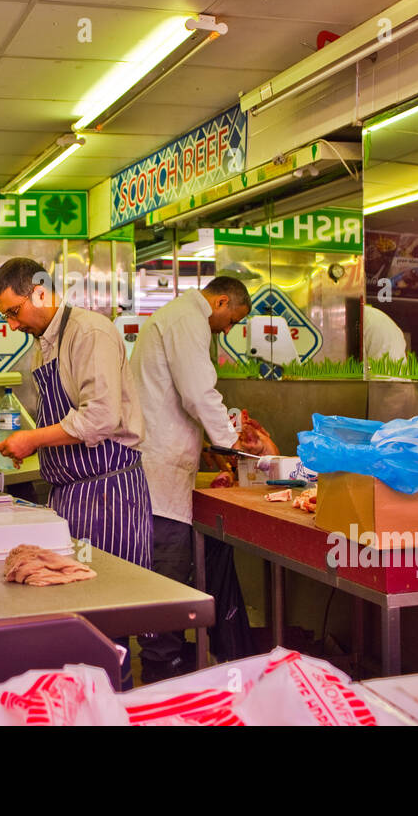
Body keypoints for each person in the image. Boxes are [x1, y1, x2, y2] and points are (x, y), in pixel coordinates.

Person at [0, 257, 152, 687]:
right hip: (72, 497)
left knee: (105, 614)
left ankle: (115, 703)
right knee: (75, 612)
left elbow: (99, 417)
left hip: (108, 496)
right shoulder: (46, 340)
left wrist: (34, 440)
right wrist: (35, 442)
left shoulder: (90, 333)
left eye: (14, 312)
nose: (12, 324)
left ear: (39, 292)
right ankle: (80, 703)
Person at [129, 276, 261, 682]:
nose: (228, 330)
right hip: (159, 479)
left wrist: (215, 445)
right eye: (232, 320)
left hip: (158, 471)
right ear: (220, 301)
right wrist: (233, 444)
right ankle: (161, 680)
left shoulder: (174, 318)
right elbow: (199, 394)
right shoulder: (188, 320)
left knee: (163, 583)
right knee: (167, 583)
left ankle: (162, 666)